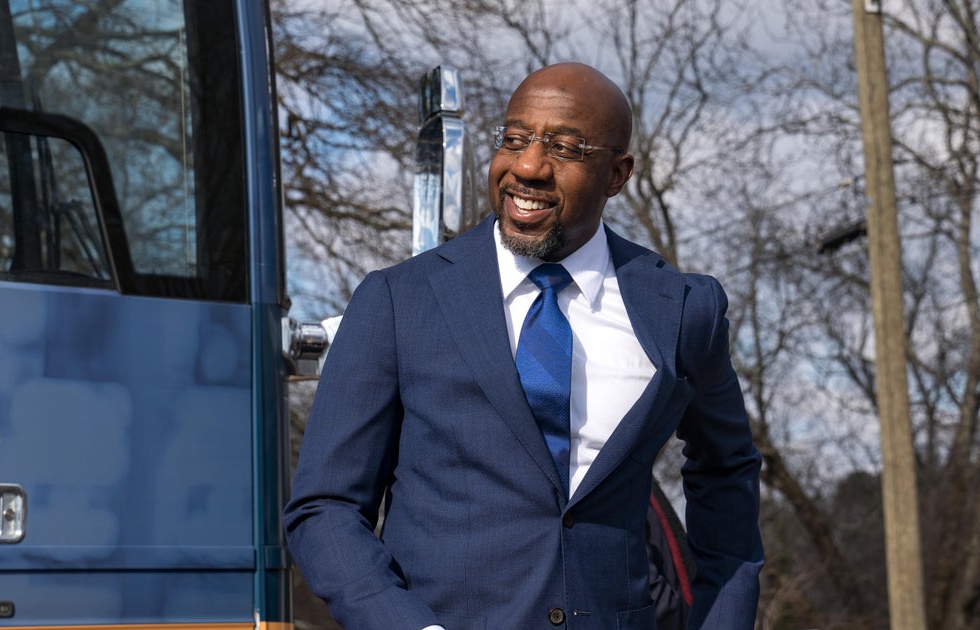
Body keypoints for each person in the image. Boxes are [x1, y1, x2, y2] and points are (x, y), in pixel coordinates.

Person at [283, 62, 763, 630]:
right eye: (514, 139)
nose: (528, 167)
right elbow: (326, 509)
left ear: (617, 174)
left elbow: (727, 475)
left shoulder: (681, 310)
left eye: (565, 148)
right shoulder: (398, 300)